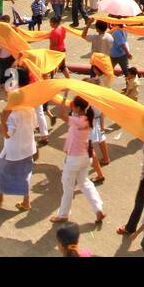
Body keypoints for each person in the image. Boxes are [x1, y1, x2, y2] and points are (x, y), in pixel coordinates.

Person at [50, 96, 105, 226]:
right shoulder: (87, 119)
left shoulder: (79, 121)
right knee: (85, 183)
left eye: (73, 105)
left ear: (79, 108)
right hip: (85, 157)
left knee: (68, 186)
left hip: (74, 158)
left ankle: (63, 215)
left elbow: (60, 114)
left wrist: (64, 97)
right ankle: (98, 209)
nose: (71, 107)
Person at [0, 104, 38, 212]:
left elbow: (7, 134)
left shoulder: (12, 115)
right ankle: (26, 201)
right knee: (25, 174)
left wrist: (3, 121)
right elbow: (35, 126)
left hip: (13, 151)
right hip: (28, 148)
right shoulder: (30, 109)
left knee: (2, 172)